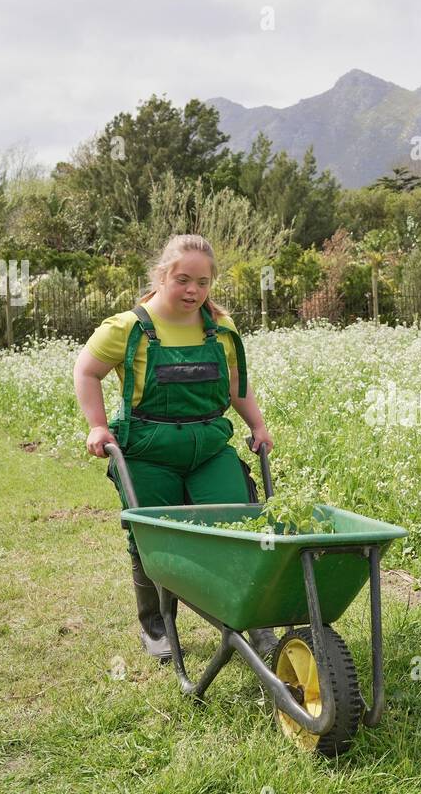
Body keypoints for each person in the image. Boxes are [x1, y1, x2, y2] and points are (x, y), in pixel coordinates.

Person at [73, 234, 277, 662]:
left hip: (208, 447)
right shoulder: (128, 328)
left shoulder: (221, 329)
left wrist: (257, 424)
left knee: (238, 527)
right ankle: (157, 625)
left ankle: (254, 626)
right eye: (183, 279)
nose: (193, 291)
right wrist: (97, 426)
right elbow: (87, 370)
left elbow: (235, 385)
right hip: (149, 449)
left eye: (203, 282)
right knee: (153, 538)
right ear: (162, 275)